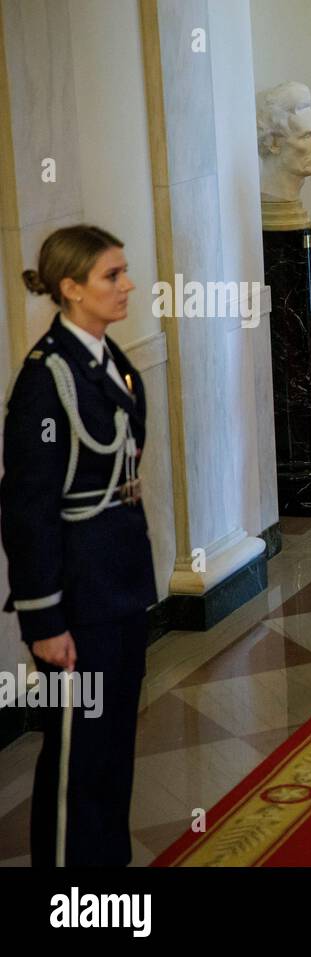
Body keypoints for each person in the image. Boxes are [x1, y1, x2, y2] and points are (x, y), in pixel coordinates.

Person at [2, 225, 154, 865]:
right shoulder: (46, 379)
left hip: (118, 581)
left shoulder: (105, 358)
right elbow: (28, 509)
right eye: (111, 276)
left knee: (113, 747)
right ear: (70, 288)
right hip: (76, 595)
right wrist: (44, 619)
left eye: (123, 272)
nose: (127, 285)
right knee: (75, 757)